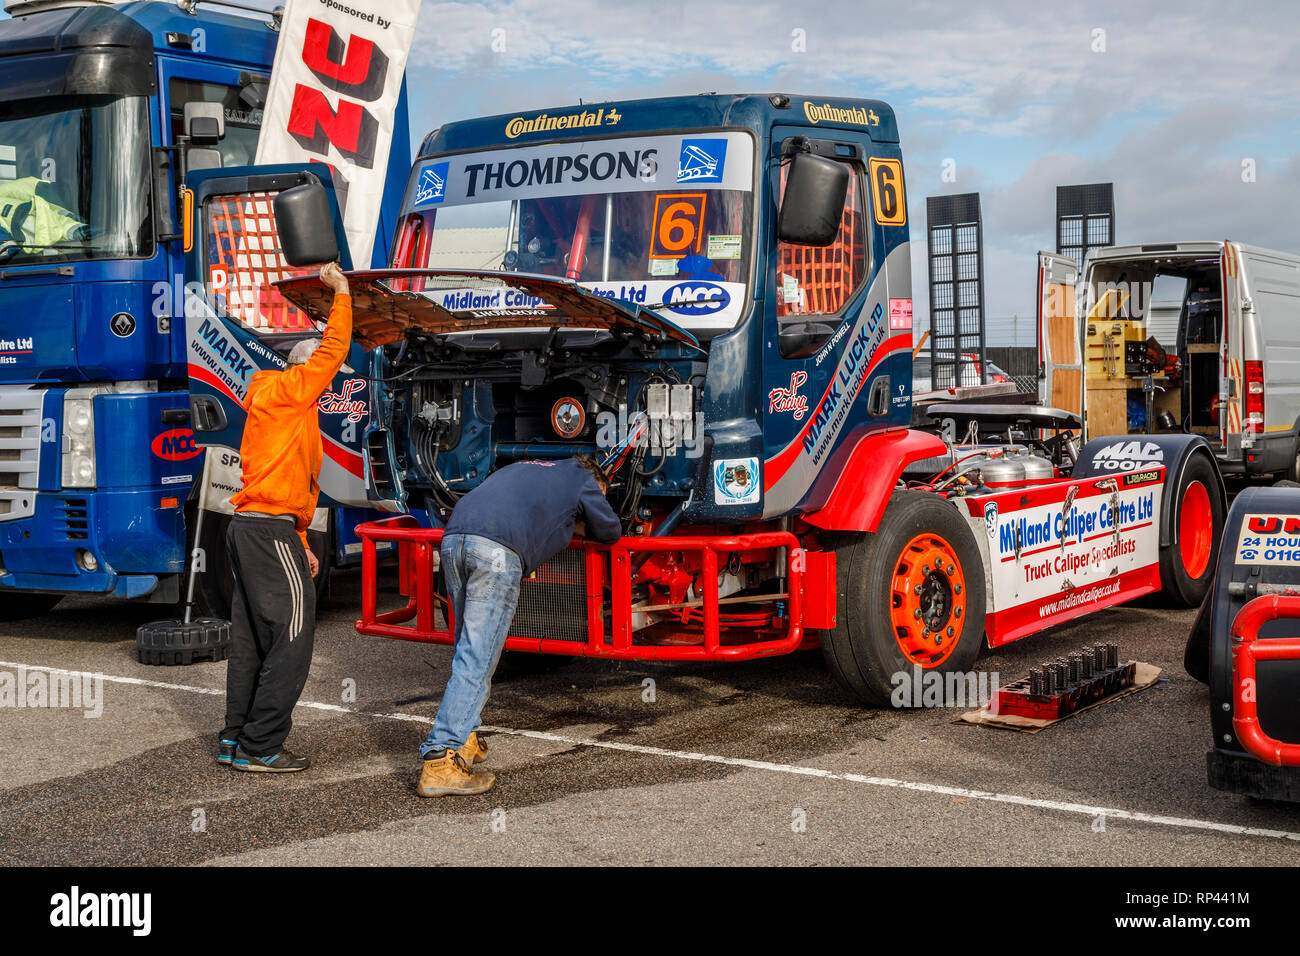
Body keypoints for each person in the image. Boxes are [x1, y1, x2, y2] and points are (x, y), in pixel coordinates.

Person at [417, 455, 623, 797]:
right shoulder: (582, 479)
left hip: (454, 541)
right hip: (495, 553)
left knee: (468, 649)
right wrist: (585, 520)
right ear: (596, 483)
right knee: (478, 657)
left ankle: (464, 735)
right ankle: (440, 759)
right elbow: (610, 531)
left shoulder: (524, 467)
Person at [218, 261, 351, 773]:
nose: (329, 387)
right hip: (266, 530)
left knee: (252, 639)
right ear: (306, 369)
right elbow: (334, 348)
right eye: (324, 379)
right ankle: (260, 745)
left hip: (256, 528)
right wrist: (340, 294)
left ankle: (236, 739)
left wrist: (298, 541)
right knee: (294, 637)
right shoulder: (293, 390)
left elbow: (282, 485)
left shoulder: (275, 408)